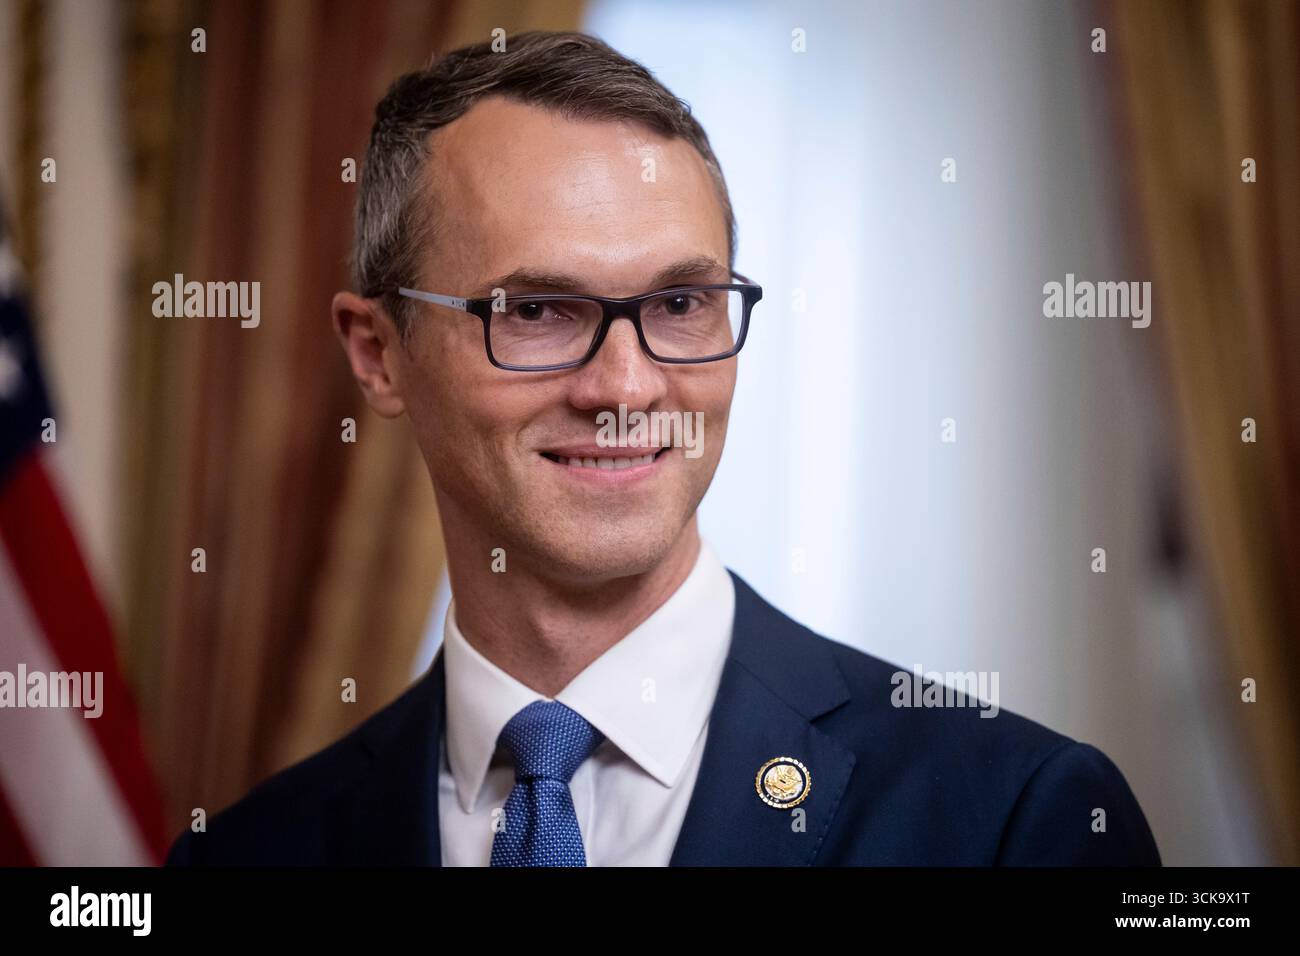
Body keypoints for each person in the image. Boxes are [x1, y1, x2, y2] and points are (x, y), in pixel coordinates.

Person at [165, 30, 1160, 867]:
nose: (626, 387)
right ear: (378, 354)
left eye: (680, 304)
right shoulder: (250, 853)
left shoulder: (1012, 818)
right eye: (540, 309)